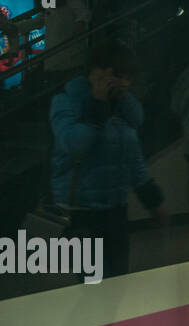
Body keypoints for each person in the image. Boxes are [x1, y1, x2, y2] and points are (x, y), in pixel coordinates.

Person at [49, 40, 165, 280]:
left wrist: (152, 200)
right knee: (92, 288)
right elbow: (73, 146)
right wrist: (97, 106)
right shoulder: (67, 101)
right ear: (96, 71)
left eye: (128, 77)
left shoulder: (123, 107)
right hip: (81, 213)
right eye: (119, 75)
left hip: (116, 212)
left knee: (117, 285)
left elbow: (133, 160)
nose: (125, 83)